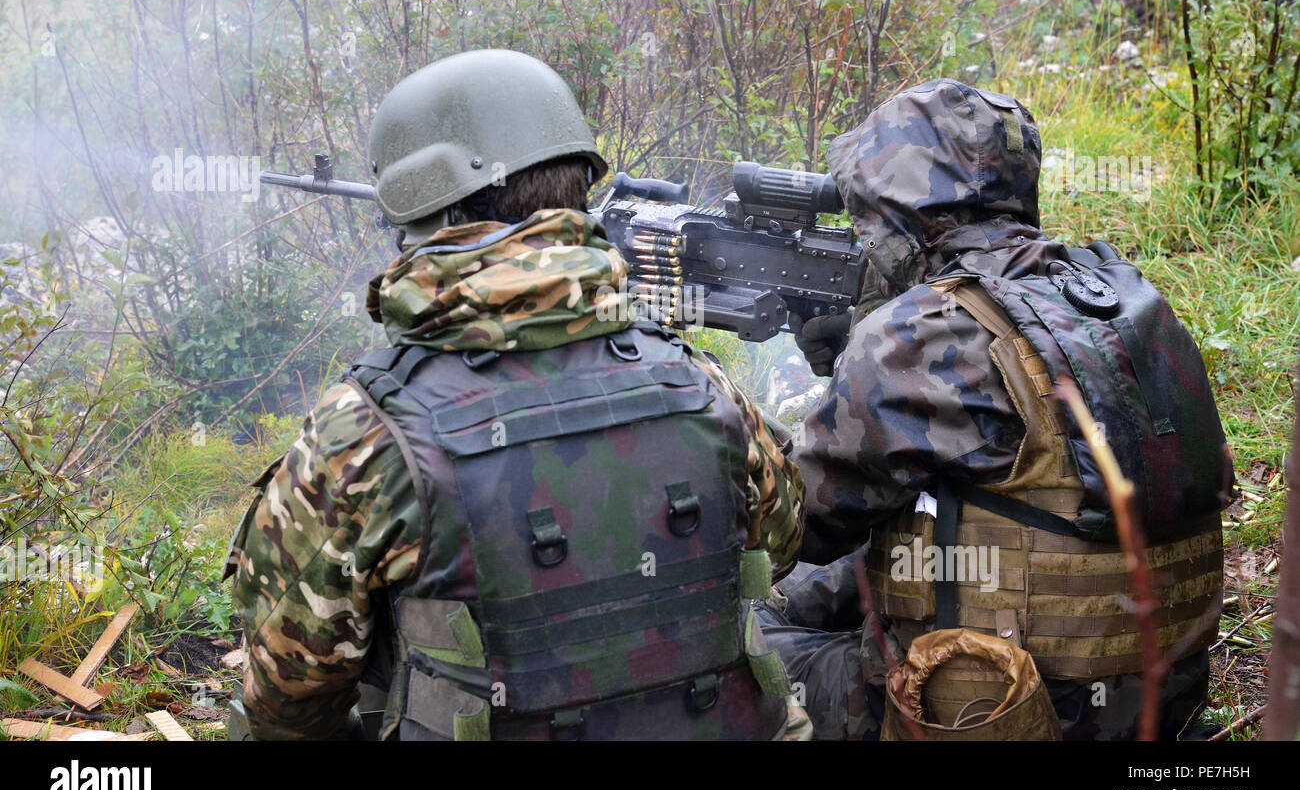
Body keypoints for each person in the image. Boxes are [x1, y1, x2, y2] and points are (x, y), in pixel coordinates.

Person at [226, 49, 808, 740]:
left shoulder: (364, 434)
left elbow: (286, 702)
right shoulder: (702, 385)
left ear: (423, 218)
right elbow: (787, 540)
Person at [761, 78, 1231, 740]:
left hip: (1011, 712)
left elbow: (794, 526)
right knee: (842, 580)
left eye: (867, 218)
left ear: (904, 219)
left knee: (749, 644)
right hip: (1161, 699)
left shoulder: (916, 334)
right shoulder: (1118, 294)